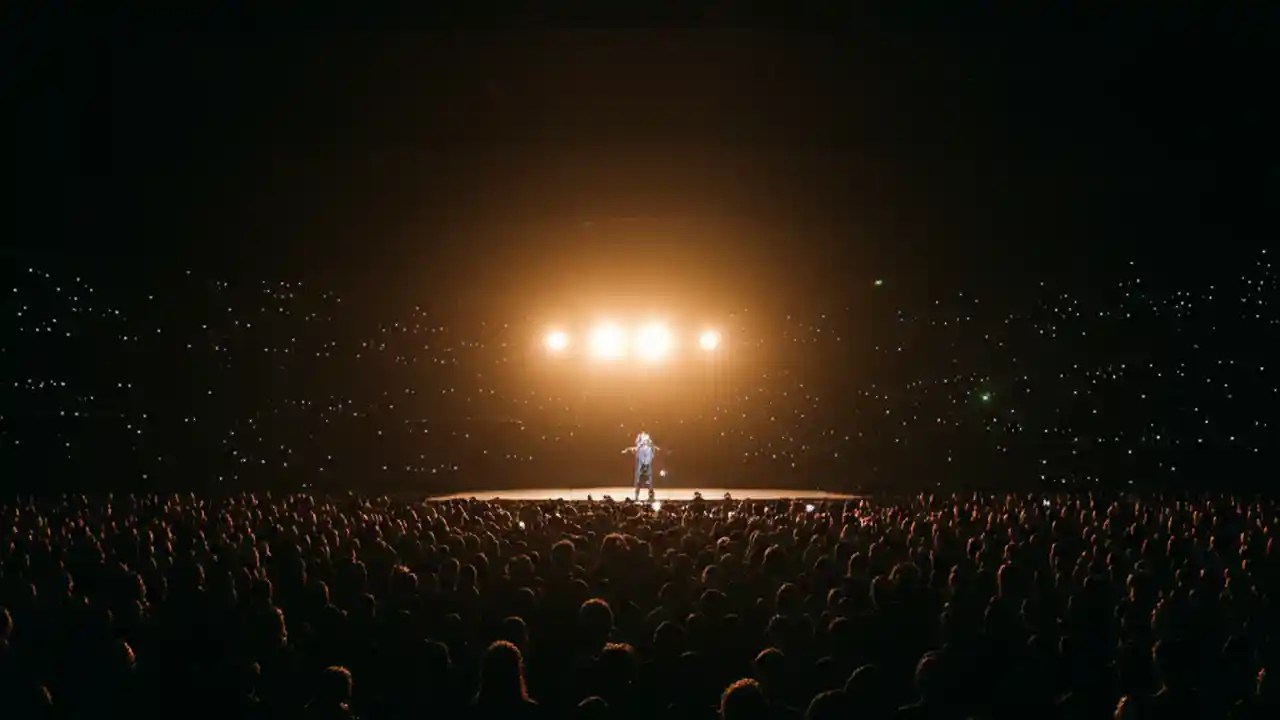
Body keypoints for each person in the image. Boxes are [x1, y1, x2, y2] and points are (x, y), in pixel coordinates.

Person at [622, 430, 659, 501]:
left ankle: (650, 496)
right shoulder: (640, 448)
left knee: (649, 483)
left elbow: (653, 448)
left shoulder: (649, 447)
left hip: (647, 467)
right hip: (642, 468)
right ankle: (637, 496)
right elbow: (634, 449)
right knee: (639, 483)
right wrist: (627, 450)